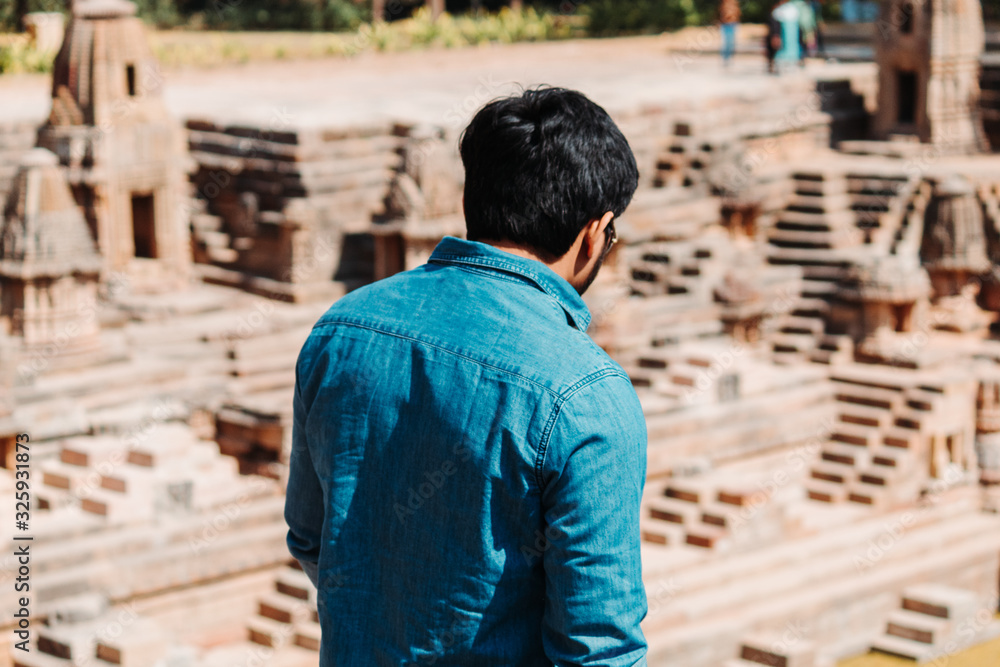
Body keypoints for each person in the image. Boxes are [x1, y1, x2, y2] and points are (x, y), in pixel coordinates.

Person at [284, 86, 649, 666]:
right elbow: (598, 646)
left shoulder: (340, 329)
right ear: (594, 233)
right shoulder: (585, 395)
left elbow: (310, 536)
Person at [719, 0, 741, 67]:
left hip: (732, 25)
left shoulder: (735, 5)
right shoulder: (724, 6)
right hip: (726, 25)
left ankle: (730, 58)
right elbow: (723, 16)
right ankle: (725, 58)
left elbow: (737, 15)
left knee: (731, 43)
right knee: (726, 43)